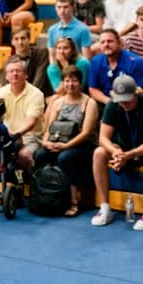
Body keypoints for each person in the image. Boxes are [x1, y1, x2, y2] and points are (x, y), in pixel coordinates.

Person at [90, 76, 143, 228]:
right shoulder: (113, 105)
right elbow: (103, 137)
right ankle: (104, 208)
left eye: (128, 100)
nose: (124, 104)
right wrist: (115, 152)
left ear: (136, 93)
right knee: (99, 153)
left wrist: (128, 155)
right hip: (122, 150)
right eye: (120, 100)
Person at [33, 66, 99, 217]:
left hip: (83, 144)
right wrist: (46, 143)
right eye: (67, 81)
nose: (70, 84)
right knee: (40, 155)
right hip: (58, 142)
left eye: (74, 81)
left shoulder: (90, 103)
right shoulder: (58, 102)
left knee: (65, 157)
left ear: (80, 83)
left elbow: (86, 132)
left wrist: (66, 146)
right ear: (62, 83)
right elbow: (49, 129)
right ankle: (44, 195)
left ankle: (74, 201)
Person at [0, 58, 45, 170]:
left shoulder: (36, 94)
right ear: (6, 76)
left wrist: (15, 134)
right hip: (7, 137)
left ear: (26, 75)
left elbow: (30, 123)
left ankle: (29, 185)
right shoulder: (0, 93)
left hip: (31, 137)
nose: (15, 74)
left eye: (18, 71)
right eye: (11, 71)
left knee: (23, 155)